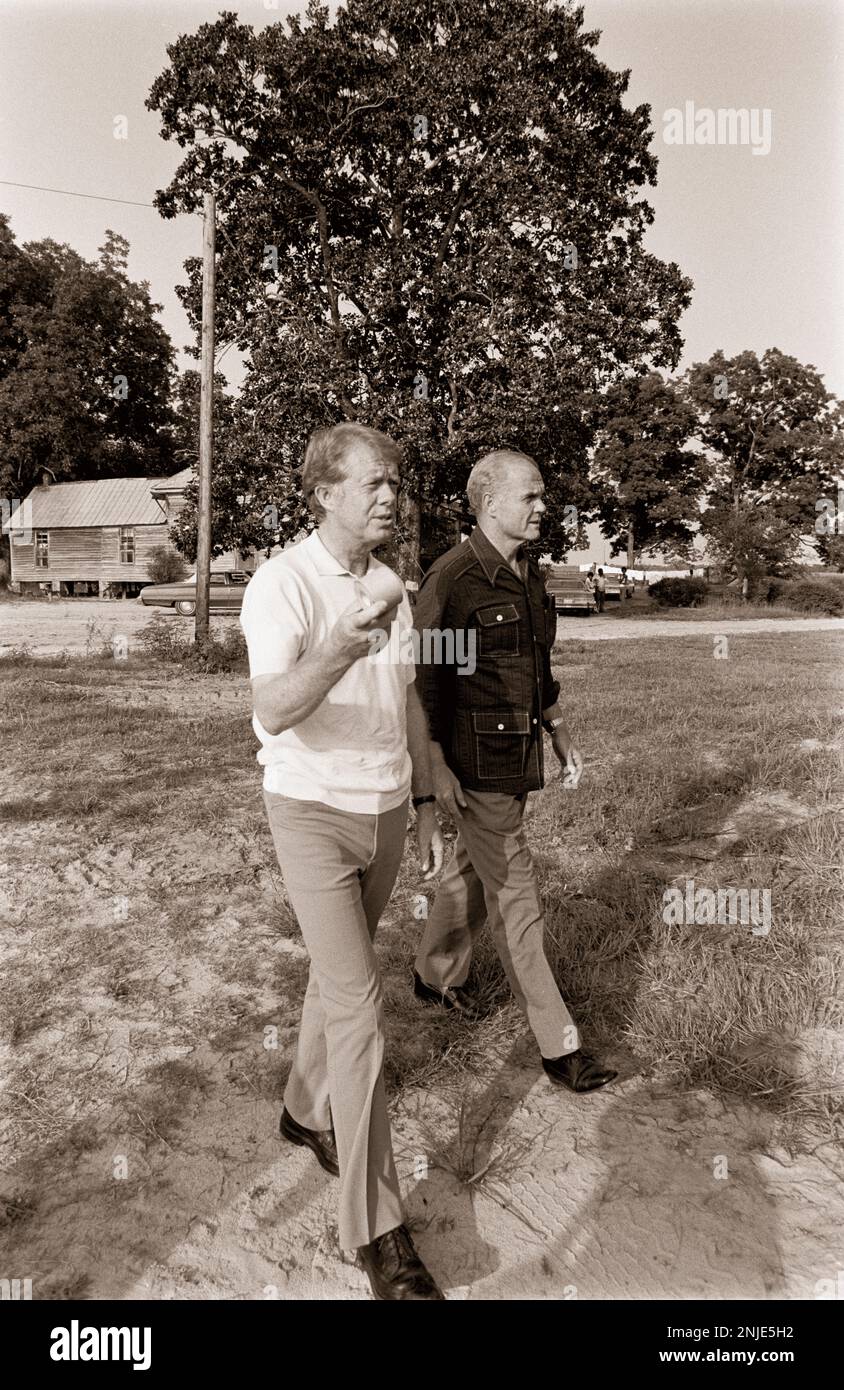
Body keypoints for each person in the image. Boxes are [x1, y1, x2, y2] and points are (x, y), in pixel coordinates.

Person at [240, 422, 447, 1301]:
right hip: (311, 811)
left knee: (337, 982)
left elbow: (407, 702)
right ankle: (378, 1232)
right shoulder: (280, 583)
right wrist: (336, 647)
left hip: (387, 813)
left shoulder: (393, 583)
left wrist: (429, 801)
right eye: (371, 483)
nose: (390, 495)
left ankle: (299, 1111)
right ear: (323, 493)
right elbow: (273, 710)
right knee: (361, 1008)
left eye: (394, 481)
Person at [411, 449, 617, 1094]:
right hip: (475, 764)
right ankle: (560, 1045)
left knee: (473, 872)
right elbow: (424, 686)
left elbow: (537, 670)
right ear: (489, 501)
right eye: (529, 496)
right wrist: (435, 768)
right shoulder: (451, 579)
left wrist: (559, 732)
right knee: (516, 896)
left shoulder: (530, 574)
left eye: (541, 495)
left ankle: (434, 975)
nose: (541, 506)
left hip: (516, 753)